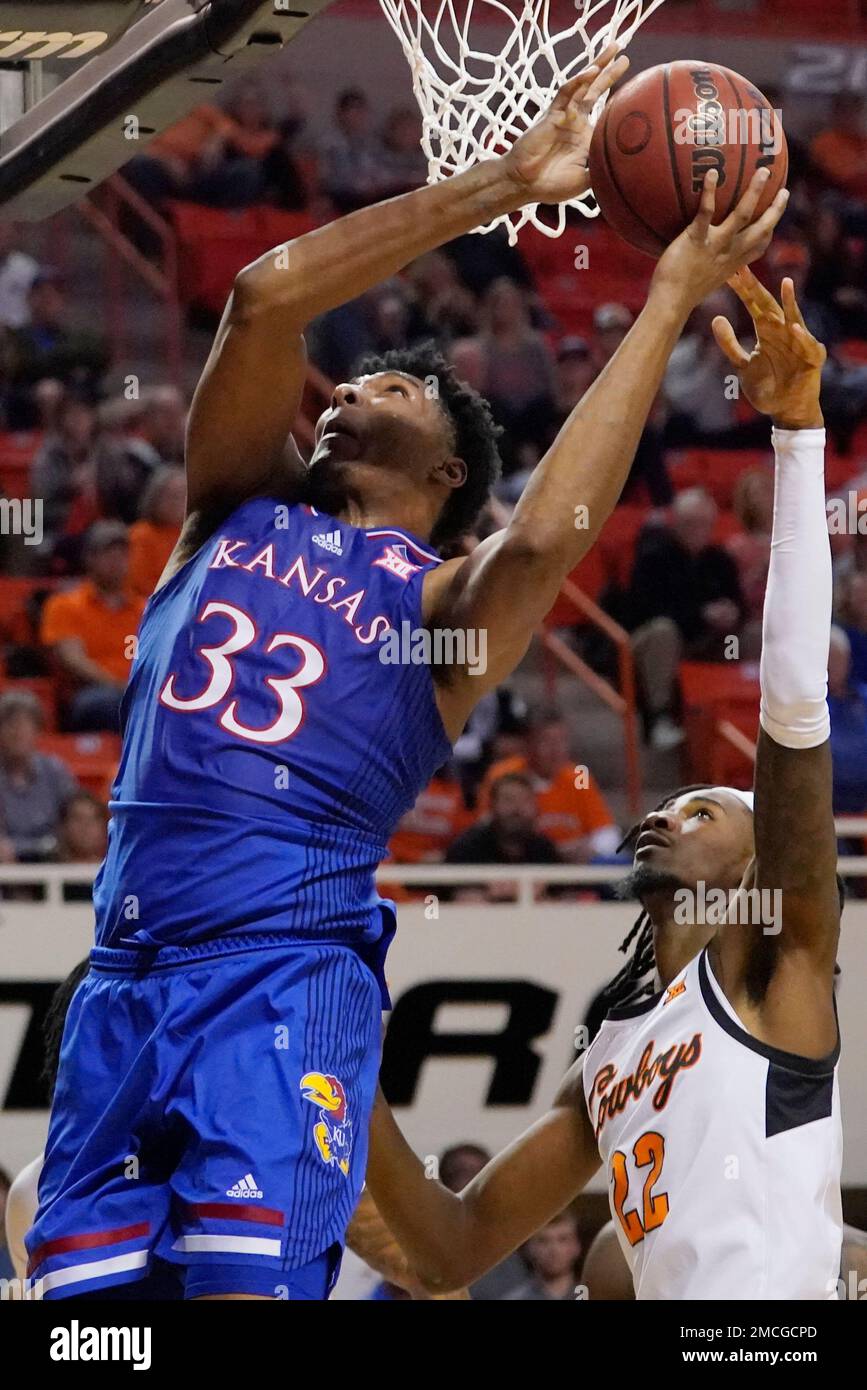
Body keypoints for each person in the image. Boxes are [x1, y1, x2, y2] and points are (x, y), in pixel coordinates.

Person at [27, 43, 788, 1302]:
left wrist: (664, 302)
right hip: (120, 987)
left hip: (279, 988)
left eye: (389, 383)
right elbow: (266, 299)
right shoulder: (227, 511)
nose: (347, 392)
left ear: (447, 478)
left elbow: (546, 534)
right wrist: (500, 183)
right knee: (88, 1334)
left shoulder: (442, 607)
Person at [358, 272, 846, 1301]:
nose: (668, 809)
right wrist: (339, 1068)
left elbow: (795, 719)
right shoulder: (614, 1053)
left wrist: (798, 442)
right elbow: (448, 1250)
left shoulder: (779, 974)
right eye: (673, 801)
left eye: (703, 807)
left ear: (759, 865)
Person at [624, 487, 745, 750]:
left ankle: (746, 712)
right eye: (690, 524)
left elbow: (739, 604)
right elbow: (647, 610)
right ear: (675, 523)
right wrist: (701, 614)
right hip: (651, 642)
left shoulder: (720, 560)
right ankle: (660, 718)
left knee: (752, 634)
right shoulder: (653, 557)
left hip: (708, 640)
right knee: (663, 631)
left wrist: (732, 612)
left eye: (704, 524)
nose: (697, 530)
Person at [39, 521, 145, 733]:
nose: (116, 561)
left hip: (140, 691)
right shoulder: (64, 605)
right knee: (106, 704)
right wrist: (120, 686)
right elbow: (72, 660)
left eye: (122, 555)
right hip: (92, 693)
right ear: (89, 558)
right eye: (108, 554)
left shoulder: (146, 609)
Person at [479, 708, 618, 862]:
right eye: (546, 741)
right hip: (518, 863)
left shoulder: (579, 776)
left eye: (562, 740)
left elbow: (607, 834)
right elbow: (485, 827)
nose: (556, 749)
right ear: (528, 744)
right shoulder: (502, 774)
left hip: (573, 866)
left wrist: (591, 848)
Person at [444, 770, 561, 901]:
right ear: (492, 806)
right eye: (508, 800)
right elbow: (461, 899)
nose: (517, 809)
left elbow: (559, 899)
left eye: (525, 801)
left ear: (536, 807)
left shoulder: (545, 849)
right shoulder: (466, 847)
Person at [0, 691, 78, 861]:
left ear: (37, 731)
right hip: (6, 864)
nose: (17, 732)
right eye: (9, 724)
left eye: (24, 724)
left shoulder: (55, 771)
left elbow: (72, 819)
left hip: (55, 857)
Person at [128, 466, 187, 599]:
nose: (177, 503)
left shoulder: (197, 534)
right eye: (171, 496)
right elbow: (139, 583)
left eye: (183, 496)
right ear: (154, 497)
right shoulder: (141, 535)